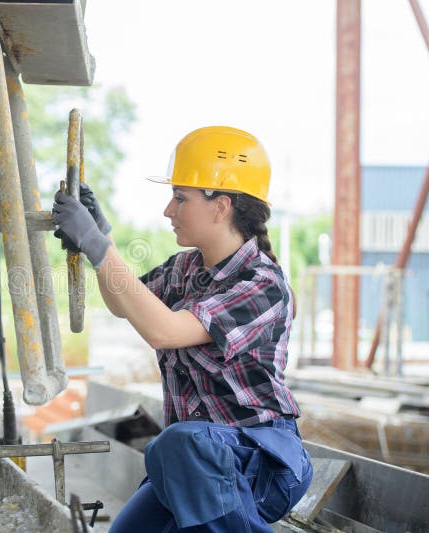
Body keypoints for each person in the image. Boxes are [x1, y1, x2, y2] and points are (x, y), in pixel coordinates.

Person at [52, 125, 313, 532]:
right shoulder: (186, 268)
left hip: (261, 462)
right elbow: (123, 303)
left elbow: (166, 332)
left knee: (178, 441)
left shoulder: (262, 285)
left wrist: (97, 246)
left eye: (180, 198)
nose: (168, 211)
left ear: (221, 206)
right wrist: (102, 242)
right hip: (195, 460)